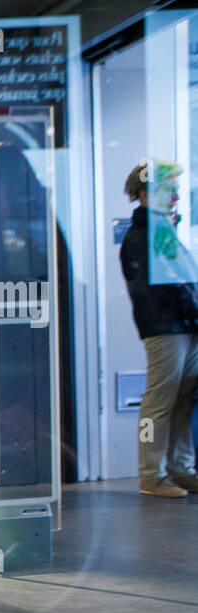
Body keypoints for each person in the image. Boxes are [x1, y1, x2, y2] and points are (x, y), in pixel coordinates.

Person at [119, 161, 198, 498]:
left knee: (183, 398)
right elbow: (170, 286)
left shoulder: (162, 230)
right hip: (166, 328)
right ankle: (150, 474)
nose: (176, 195)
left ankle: (181, 469)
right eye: (168, 188)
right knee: (158, 403)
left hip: (184, 325)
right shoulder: (146, 235)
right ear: (145, 194)